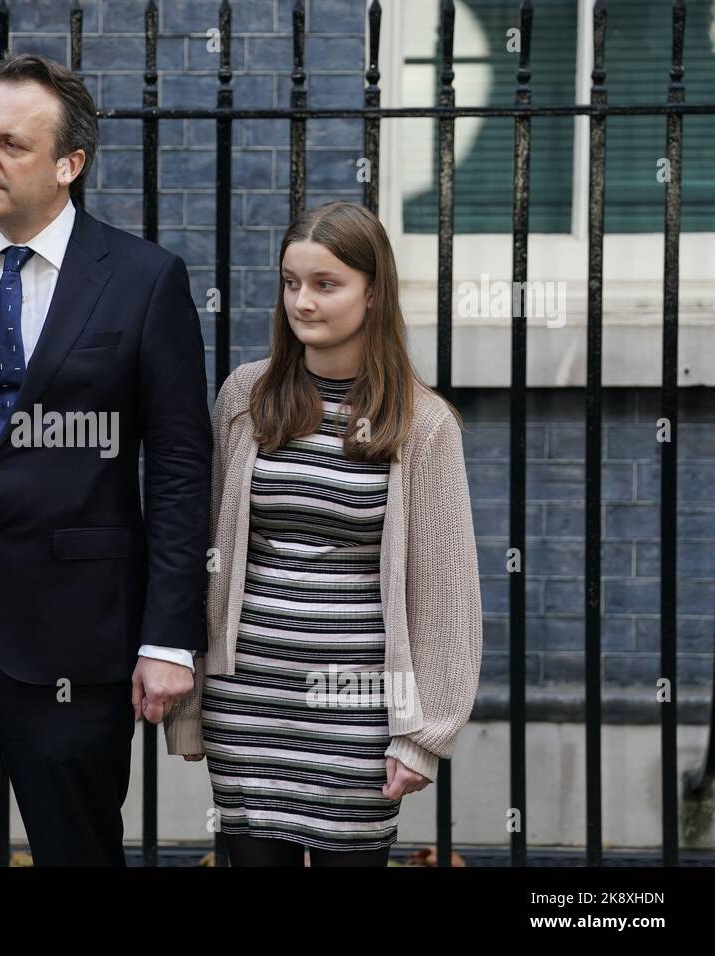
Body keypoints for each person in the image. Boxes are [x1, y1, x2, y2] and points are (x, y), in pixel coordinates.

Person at [0, 54, 212, 866]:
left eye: (12, 144)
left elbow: (176, 464)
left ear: (70, 164)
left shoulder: (143, 280)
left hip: (75, 633)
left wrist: (168, 637)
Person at [164, 201, 483, 867]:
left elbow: (448, 597)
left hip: (360, 713)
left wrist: (424, 736)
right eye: (290, 282)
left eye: (325, 284)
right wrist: (191, 705)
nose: (302, 302)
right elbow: (208, 561)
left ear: (373, 293)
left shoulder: (424, 424)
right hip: (250, 707)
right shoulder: (246, 399)